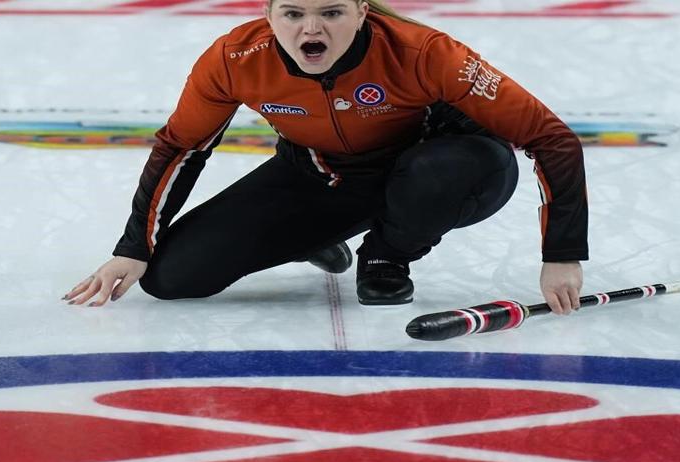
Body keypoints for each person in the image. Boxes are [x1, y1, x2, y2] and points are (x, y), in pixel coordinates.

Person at [64, 0, 588, 313]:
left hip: (445, 172)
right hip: (323, 176)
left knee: (437, 171)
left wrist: (562, 253)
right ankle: (319, 235)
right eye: (292, 13)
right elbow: (181, 146)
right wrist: (135, 245)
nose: (310, 30)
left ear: (361, 10)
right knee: (170, 278)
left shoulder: (425, 52)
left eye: (331, 12)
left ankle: (386, 255)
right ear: (267, 13)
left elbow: (550, 138)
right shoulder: (234, 59)